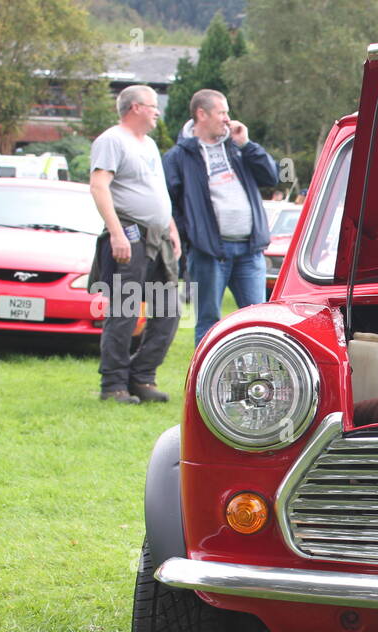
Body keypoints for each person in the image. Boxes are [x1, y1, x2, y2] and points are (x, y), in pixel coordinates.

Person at [88, 85, 182, 404]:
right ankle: (113, 385)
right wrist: (116, 233)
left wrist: (170, 227)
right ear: (135, 108)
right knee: (125, 310)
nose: (158, 112)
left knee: (168, 310)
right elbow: (99, 186)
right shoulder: (112, 140)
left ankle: (142, 377)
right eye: (153, 106)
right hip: (130, 234)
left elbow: (156, 190)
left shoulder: (151, 144)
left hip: (158, 237)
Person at [164, 88, 279, 344]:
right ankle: (203, 383)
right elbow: (171, 204)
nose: (228, 118)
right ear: (201, 114)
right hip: (209, 253)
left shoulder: (237, 147)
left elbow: (271, 177)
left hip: (250, 252)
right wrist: (193, 237)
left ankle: (255, 380)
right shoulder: (179, 157)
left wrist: (247, 144)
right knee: (208, 321)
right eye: (222, 112)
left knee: (258, 320)